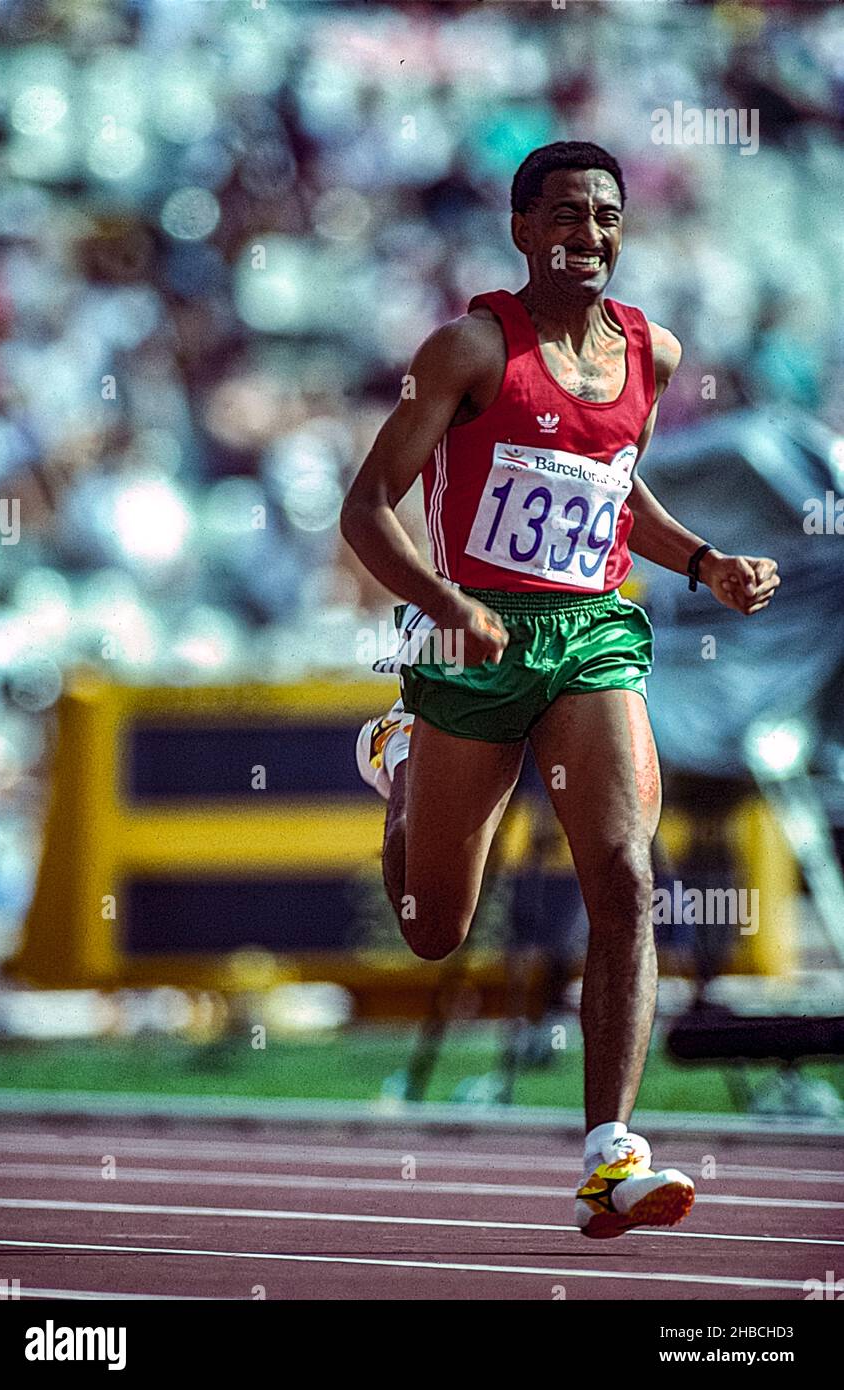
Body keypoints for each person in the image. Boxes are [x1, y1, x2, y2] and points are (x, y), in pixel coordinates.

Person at [340, 141, 780, 1238]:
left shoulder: (651, 351)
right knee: (432, 927)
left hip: (591, 633)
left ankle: (608, 1153)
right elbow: (366, 509)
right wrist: (443, 607)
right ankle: (401, 765)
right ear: (520, 228)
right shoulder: (468, 348)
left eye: (605, 216)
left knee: (625, 871)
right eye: (566, 216)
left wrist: (700, 562)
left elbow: (613, 477)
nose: (588, 235)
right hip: (472, 643)